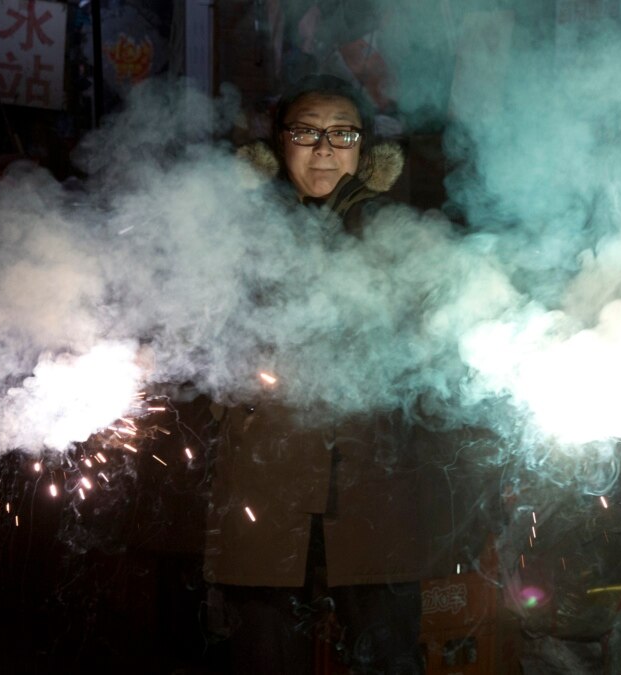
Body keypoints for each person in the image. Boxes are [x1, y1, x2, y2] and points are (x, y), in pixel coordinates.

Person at [203, 74, 427, 675]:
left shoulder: (400, 232)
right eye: (306, 132)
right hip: (265, 484)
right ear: (279, 141)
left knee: (388, 657)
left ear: (364, 148)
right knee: (264, 656)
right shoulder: (234, 229)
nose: (324, 149)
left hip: (372, 488)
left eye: (342, 134)